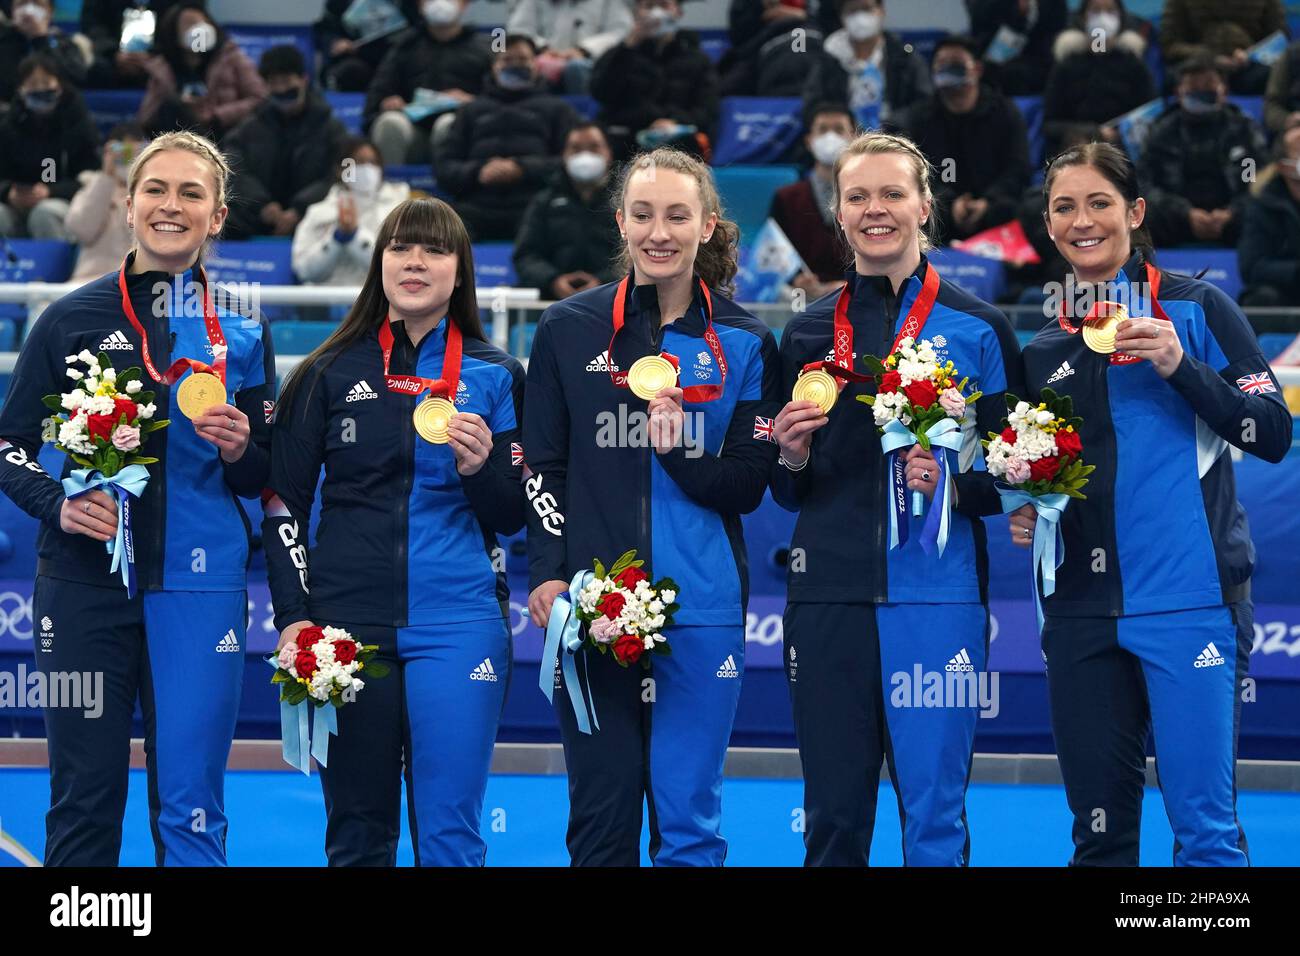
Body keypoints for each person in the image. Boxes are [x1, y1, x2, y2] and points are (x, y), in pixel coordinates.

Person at [0, 130, 276, 866]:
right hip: (83, 588)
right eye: (157, 189)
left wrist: (243, 446)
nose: (171, 205)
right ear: (128, 204)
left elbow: (264, 475)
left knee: (192, 805)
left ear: (217, 216)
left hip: (200, 588)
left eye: (192, 193)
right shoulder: (69, 318)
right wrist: (56, 502)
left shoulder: (244, 329)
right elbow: (9, 444)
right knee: (84, 800)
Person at [1012, 141, 1290, 865]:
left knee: (1205, 836)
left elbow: (1272, 434)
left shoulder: (1199, 309)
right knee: (1099, 842)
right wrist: (1030, 501)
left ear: (1133, 212)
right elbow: (1042, 471)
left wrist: (1178, 365)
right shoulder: (1044, 347)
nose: (1083, 220)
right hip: (1078, 613)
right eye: (1064, 207)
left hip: (1191, 603)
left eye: (1099, 202)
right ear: (1048, 226)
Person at [524, 147, 781, 866]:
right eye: (643, 215)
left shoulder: (748, 340)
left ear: (707, 226)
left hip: (702, 605)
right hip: (594, 603)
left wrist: (680, 453)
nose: (658, 232)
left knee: (689, 818)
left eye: (676, 215)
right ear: (621, 222)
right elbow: (543, 466)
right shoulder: (567, 329)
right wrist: (548, 570)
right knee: (601, 821)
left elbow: (747, 485)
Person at [771, 131, 1021, 867]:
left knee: (935, 818)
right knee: (833, 818)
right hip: (828, 598)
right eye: (857, 197)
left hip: (938, 597)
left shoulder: (980, 327)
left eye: (891, 194)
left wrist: (956, 484)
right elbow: (789, 491)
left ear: (924, 206)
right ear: (838, 214)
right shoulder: (808, 331)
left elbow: (1020, 470)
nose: (874, 209)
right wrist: (789, 455)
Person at [264, 197, 525, 866]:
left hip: (460, 620)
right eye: (401, 247)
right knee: (357, 833)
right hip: (347, 621)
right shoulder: (324, 371)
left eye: (435, 250)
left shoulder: (497, 375)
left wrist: (478, 468)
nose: (416, 261)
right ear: (377, 263)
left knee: (450, 834)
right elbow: (282, 504)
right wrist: (294, 615)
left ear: (461, 271)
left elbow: (513, 513)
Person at [434, 34, 578, 241]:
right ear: (494, 66)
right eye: (507, 60)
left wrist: (522, 168)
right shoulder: (470, 111)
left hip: (535, 205)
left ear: (536, 65)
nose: (515, 65)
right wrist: (479, 171)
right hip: (475, 206)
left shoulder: (558, 110)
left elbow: (569, 163)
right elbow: (444, 167)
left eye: (522, 59)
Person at [899, 33, 1030, 242]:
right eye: (941, 64)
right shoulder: (918, 118)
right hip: (938, 211)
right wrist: (952, 204)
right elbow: (914, 172)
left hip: (995, 208)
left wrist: (988, 201)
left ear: (977, 69)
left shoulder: (1005, 112)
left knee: (1027, 209)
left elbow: (1018, 168)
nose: (947, 69)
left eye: (956, 64)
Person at [222, 45, 351, 240]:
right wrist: (262, 205)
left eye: (287, 81)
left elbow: (340, 175)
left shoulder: (331, 128)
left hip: (311, 217)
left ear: (304, 80)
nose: (282, 90)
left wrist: (299, 209)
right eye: (275, 83)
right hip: (259, 217)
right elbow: (231, 167)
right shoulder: (250, 128)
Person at [1139, 56, 1265, 248]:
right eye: (1193, 87)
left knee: (1265, 211)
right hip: (1175, 219)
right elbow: (1145, 184)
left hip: (1234, 217)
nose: (1201, 92)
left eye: (1208, 85)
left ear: (1224, 91)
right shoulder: (1161, 131)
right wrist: (1185, 213)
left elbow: (1261, 179)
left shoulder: (1244, 130)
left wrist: (1232, 212)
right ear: (1178, 93)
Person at [363, 0, 493, 166]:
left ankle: (452, 186)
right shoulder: (404, 47)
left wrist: (472, 102)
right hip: (413, 131)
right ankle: (392, 187)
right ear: (419, 5)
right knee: (390, 123)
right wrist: (388, 103)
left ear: (465, 4)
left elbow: (498, 102)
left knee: (447, 124)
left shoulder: (485, 50)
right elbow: (376, 98)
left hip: (462, 134)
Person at [590, 0, 720, 161]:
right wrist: (629, 45)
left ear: (678, 12)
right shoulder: (619, 54)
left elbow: (707, 110)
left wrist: (674, 121)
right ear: (636, 13)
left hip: (678, 141)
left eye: (663, 6)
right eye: (649, 6)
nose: (656, 13)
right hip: (626, 142)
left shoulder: (698, 60)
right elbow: (601, 92)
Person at [512, 121, 621, 298]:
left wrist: (602, 282)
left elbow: (635, 256)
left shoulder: (625, 201)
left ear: (608, 152)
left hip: (614, 300)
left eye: (594, 148)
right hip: (551, 303)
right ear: (564, 155)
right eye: (576, 149)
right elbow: (526, 256)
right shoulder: (544, 202)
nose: (585, 156)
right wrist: (553, 281)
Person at [0, 55, 100, 240]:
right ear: (21, 89)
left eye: (45, 82)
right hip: (17, 205)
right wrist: (9, 193)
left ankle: (55, 269)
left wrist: (52, 191)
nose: (40, 89)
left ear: (59, 86)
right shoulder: (7, 127)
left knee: (44, 213)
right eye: (32, 83)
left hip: (65, 201)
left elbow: (92, 176)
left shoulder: (78, 124)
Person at [1041, 0, 1155, 158]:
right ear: (1082, 18)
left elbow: (1149, 115)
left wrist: (1120, 135)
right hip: (1075, 151)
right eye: (1095, 11)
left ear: (1121, 18)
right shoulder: (1067, 65)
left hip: (1122, 152)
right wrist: (1092, 132)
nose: (1103, 17)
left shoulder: (1134, 64)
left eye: (1110, 11)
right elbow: (1050, 124)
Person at [136, 4, 267, 141]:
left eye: (202, 23)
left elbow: (260, 98)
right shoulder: (162, 68)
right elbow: (146, 117)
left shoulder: (231, 56)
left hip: (225, 134)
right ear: (174, 33)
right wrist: (181, 105)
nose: (199, 29)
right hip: (177, 135)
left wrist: (216, 115)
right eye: (190, 24)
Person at [292, 137, 411, 287]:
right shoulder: (317, 213)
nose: (367, 169)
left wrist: (355, 236)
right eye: (359, 162)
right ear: (340, 170)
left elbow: (397, 267)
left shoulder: (400, 211)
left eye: (373, 163)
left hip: (377, 301)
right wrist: (335, 240)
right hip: (326, 301)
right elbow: (304, 270)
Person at [801, 0, 931, 134]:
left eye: (866, 9)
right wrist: (842, 124)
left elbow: (924, 103)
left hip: (897, 137)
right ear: (841, 17)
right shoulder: (828, 60)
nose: (860, 17)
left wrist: (891, 125)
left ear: (882, 11)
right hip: (845, 138)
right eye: (852, 11)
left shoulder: (905, 56)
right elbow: (812, 105)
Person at [768, 102, 854, 296]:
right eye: (822, 130)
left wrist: (850, 285)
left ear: (854, 138)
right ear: (808, 141)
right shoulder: (786, 198)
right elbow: (774, 253)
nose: (830, 137)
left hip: (859, 299)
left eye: (839, 129)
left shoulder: (870, 197)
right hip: (801, 303)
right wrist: (796, 279)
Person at [66, 123, 148, 285]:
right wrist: (106, 177)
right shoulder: (90, 186)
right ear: (108, 153)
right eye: (123, 152)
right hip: (88, 282)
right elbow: (82, 231)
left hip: (136, 284)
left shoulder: (154, 193)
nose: (129, 160)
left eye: (136, 153)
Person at [506, 0, 634, 94]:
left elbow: (620, 32)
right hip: (544, 58)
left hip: (592, 62)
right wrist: (544, 48)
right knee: (540, 66)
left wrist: (584, 50)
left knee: (576, 68)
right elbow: (518, 30)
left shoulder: (610, 3)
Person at [1159, 0, 1284, 96]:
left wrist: (1251, 54)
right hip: (1197, 67)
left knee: (1282, 77)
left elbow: (1279, 38)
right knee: (1173, 80)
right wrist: (1210, 57)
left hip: (1250, 67)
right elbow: (1170, 45)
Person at [1238, 123, 1300, 306]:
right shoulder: (1263, 205)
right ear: (1283, 166)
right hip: (1286, 292)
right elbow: (1252, 267)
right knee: (1261, 297)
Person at [719, 0, 824, 97]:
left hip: (810, 42)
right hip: (771, 52)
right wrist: (759, 6)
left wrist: (803, 16)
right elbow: (740, 40)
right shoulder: (747, 7)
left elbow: (833, 28)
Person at [313, 0, 421, 93]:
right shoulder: (341, 2)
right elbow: (325, 29)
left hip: (398, 55)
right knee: (348, 71)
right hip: (360, 57)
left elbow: (418, 26)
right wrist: (336, 42)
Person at [81, 0, 191, 88]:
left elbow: (185, 23)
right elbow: (92, 25)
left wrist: (153, 54)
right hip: (112, 60)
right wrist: (114, 53)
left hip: (163, 58)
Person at [968, 0, 1068, 95]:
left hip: (1037, 73)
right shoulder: (986, 6)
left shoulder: (1054, 4)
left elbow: (1054, 41)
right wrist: (1018, 15)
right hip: (991, 72)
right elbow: (979, 37)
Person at [0, 0, 88, 103]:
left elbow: (75, 80)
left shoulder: (64, 43)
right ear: (12, 10)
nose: (29, 11)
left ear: (50, 12)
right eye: (22, 4)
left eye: (37, 4)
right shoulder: (3, 42)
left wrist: (40, 39)